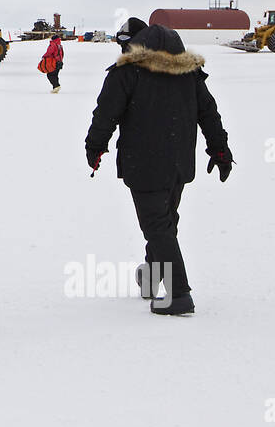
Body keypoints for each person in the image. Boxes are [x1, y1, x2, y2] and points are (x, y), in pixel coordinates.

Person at [85, 21, 232, 316]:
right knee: (163, 224)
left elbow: (105, 114)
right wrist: (220, 150)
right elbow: (209, 113)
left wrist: (95, 146)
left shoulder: (127, 73)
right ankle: (151, 277)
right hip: (179, 163)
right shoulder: (189, 74)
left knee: (158, 226)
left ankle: (179, 294)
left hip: (143, 164)